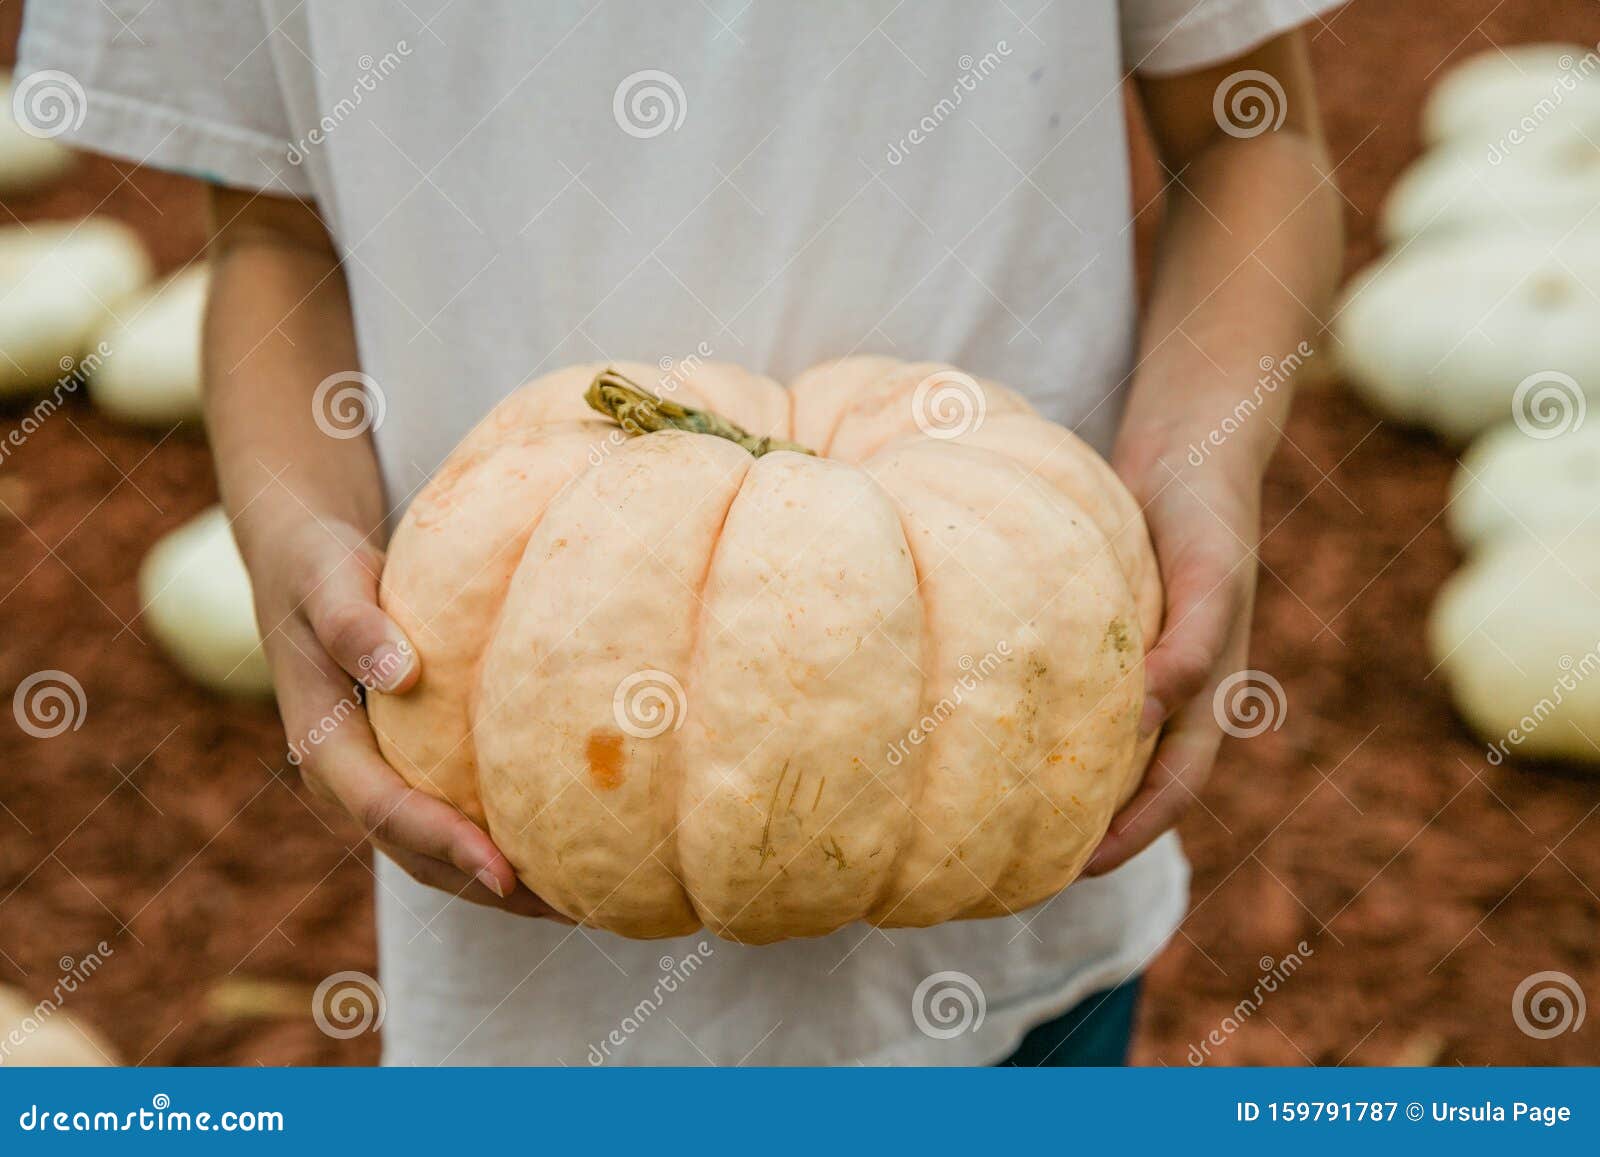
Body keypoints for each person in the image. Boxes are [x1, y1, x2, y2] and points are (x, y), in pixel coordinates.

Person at [20, 0, 1342, 1065]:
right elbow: (267, 227)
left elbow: (1252, 133)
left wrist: (1201, 465)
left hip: (1028, 814)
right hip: (521, 888)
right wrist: (291, 530)